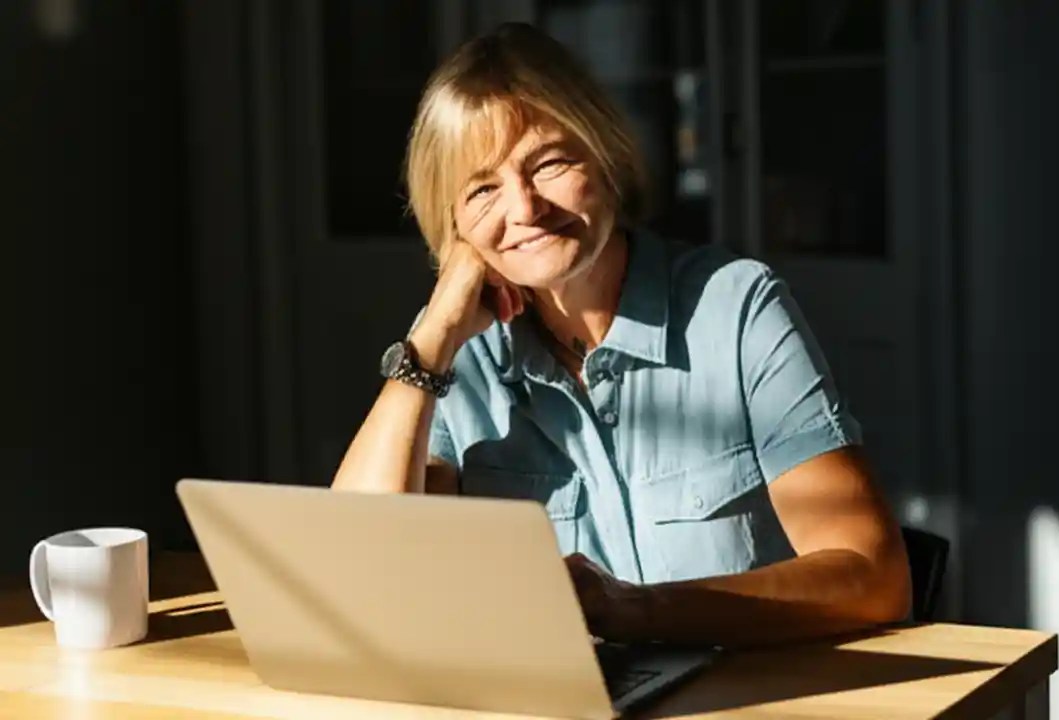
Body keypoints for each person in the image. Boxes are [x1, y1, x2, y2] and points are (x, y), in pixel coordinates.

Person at [332, 22, 910, 647]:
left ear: (605, 156)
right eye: (483, 190)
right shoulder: (459, 360)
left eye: (548, 163)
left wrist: (640, 612)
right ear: (454, 225)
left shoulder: (736, 309)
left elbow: (872, 576)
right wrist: (436, 330)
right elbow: (359, 575)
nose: (524, 209)